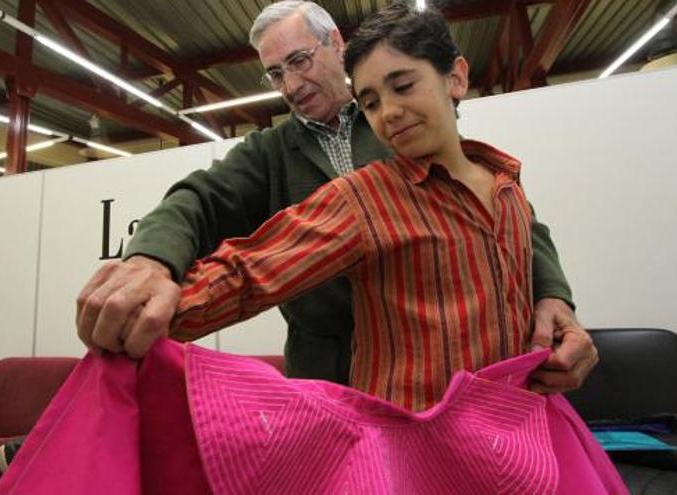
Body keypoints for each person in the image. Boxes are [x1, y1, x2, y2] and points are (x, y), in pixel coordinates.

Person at [76, 0, 596, 394]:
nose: (290, 82)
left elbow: (507, 216)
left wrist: (553, 296)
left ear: (337, 46)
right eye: (275, 72)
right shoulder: (273, 153)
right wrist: (150, 262)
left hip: (443, 373)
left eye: (299, 60)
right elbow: (203, 204)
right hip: (326, 373)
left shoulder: (431, 142)